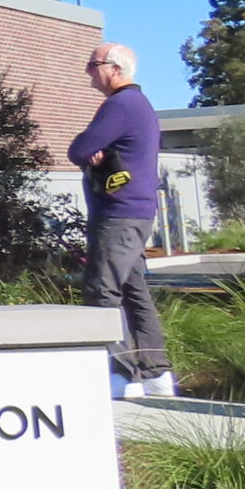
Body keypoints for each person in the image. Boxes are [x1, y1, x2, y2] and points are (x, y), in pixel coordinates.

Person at [70, 42, 172, 399]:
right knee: (133, 290)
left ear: (114, 69)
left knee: (102, 289)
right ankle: (156, 374)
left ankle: (120, 374)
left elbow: (78, 149)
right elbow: (90, 150)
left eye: (93, 64)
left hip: (118, 214)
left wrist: (93, 153)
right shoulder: (138, 104)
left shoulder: (120, 105)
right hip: (136, 212)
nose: (88, 71)